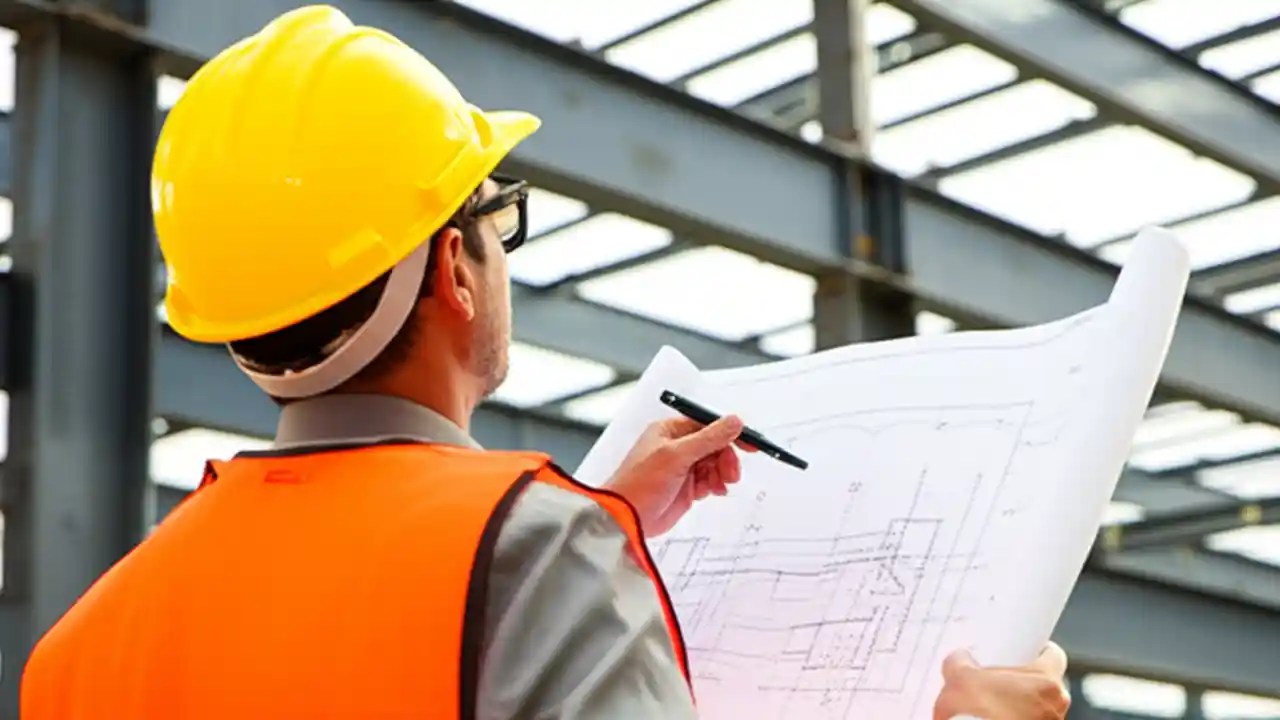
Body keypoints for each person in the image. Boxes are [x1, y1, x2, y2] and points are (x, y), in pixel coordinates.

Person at [20, 6, 1070, 719]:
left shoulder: (76, 653)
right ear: (454, 269)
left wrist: (579, 540)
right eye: (495, 216)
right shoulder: (531, 553)